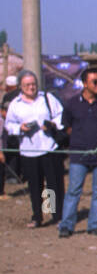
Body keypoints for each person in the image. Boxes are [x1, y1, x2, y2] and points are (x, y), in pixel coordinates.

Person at [3, 70, 66, 228]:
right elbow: (8, 125)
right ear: (20, 87)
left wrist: (52, 124)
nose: (31, 87)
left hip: (49, 147)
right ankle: (37, 216)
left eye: (33, 84)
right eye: (27, 85)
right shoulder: (15, 105)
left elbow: (60, 115)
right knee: (35, 185)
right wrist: (20, 128)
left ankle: (55, 215)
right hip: (28, 150)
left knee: (52, 184)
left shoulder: (47, 98)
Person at [57, 70, 97, 237]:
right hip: (78, 154)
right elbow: (68, 127)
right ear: (84, 84)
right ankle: (67, 225)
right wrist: (81, 140)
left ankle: (94, 225)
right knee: (74, 190)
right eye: (94, 81)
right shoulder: (71, 104)